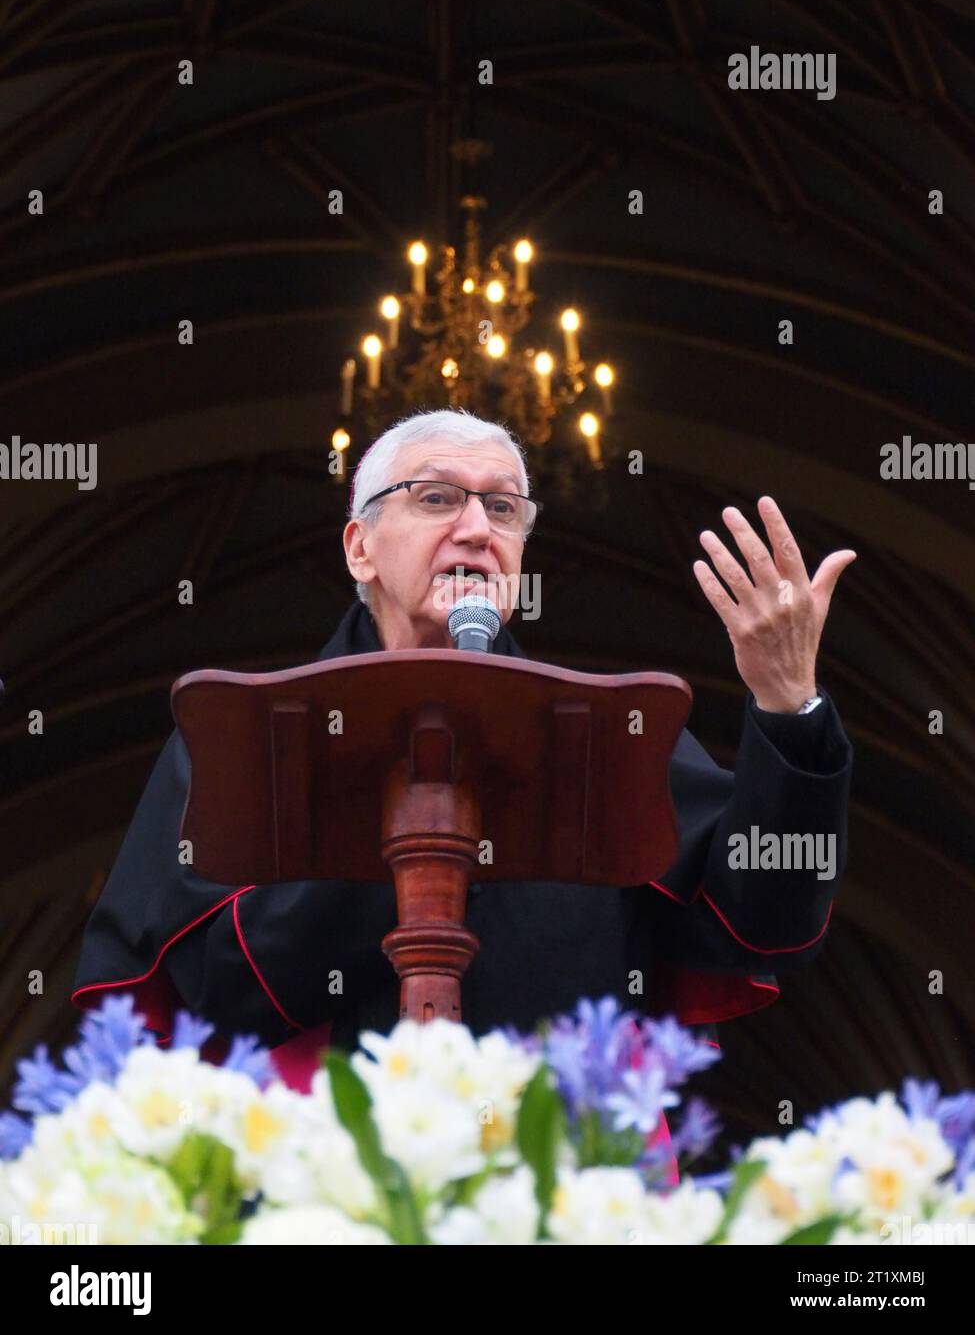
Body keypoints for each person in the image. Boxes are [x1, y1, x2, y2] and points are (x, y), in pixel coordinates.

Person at [73, 408, 855, 1098]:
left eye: (504, 508)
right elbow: (211, 991)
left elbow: (765, 925)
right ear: (360, 548)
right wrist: (412, 816)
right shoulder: (240, 732)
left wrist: (788, 706)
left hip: (564, 1191)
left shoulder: (610, 730)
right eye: (437, 497)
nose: (478, 529)